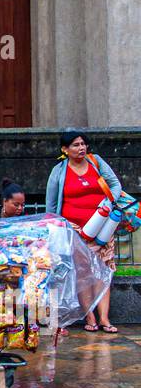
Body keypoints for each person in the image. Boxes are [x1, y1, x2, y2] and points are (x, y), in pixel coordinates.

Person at [46, 129, 121, 333]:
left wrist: (109, 202)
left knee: (104, 271)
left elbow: (115, 184)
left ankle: (104, 318)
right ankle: (90, 316)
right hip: (75, 230)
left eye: (83, 144)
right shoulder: (59, 171)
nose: (81, 148)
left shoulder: (96, 162)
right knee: (83, 273)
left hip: (103, 226)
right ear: (65, 149)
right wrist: (54, 227)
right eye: (76, 145)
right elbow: (51, 205)